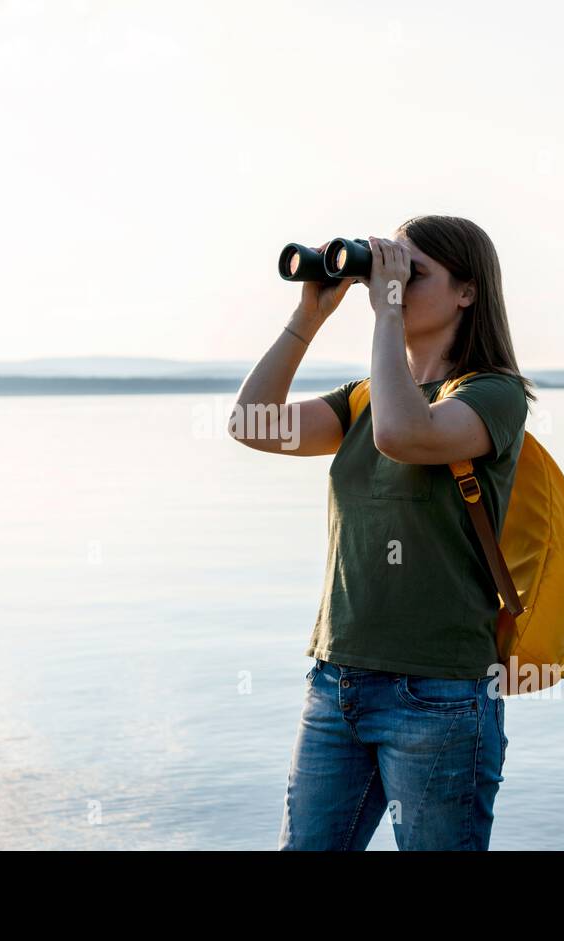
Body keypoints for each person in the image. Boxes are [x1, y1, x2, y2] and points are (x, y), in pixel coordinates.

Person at [229, 214, 537, 850]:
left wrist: (385, 313)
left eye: (413, 274)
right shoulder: (365, 398)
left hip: (439, 692)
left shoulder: (493, 396)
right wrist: (309, 315)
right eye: (389, 272)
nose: (391, 285)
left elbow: (406, 436)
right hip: (336, 680)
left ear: (467, 292)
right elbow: (253, 424)